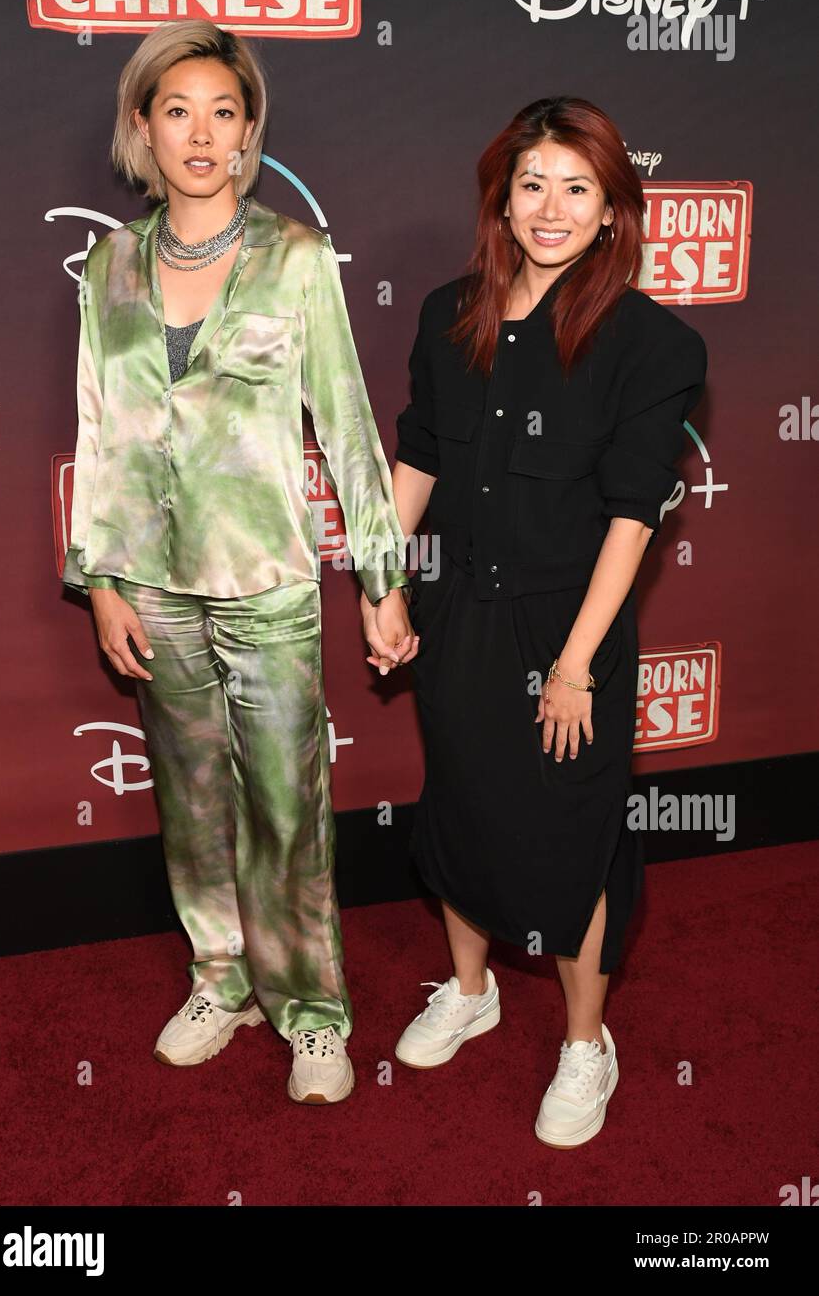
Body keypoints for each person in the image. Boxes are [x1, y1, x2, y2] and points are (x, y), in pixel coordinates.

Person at [63, 19, 414, 1104]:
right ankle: (220, 979)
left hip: (264, 579)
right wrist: (101, 579)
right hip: (152, 585)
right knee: (191, 799)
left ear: (250, 130)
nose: (202, 134)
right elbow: (97, 427)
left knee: (286, 807)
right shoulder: (110, 263)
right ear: (143, 128)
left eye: (224, 112)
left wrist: (382, 579)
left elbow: (347, 424)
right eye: (178, 112)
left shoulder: (296, 258)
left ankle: (312, 1013)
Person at [366, 96, 708, 1147]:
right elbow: (420, 453)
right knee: (461, 805)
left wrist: (573, 666)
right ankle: (470, 992)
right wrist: (381, 583)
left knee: (571, 838)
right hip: (456, 611)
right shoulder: (449, 313)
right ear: (501, 199)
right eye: (531, 185)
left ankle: (584, 1043)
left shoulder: (652, 343)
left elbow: (632, 515)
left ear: (611, 209)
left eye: (576, 187)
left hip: (569, 629)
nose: (550, 208)